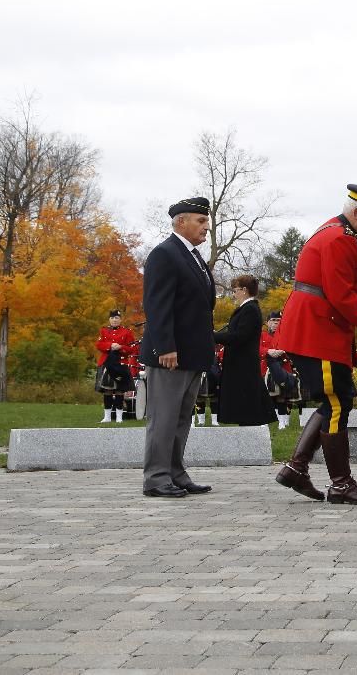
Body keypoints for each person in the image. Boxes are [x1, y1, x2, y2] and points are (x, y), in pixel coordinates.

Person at [273, 184, 357, 504]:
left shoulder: (332, 231)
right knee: (338, 402)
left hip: (312, 331)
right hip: (318, 333)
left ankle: (296, 468)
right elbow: (340, 295)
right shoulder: (341, 238)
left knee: (333, 401)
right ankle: (341, 484)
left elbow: (345, 289)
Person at [139, 197, 216, 498]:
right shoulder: (165, 254)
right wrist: (165, 346)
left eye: (207, 221)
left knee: (182, 418)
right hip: (170, 355)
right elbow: (156, 305)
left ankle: (175, 473)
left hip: (192, 354)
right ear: (181, 222)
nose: (206, 227)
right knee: (164, 418)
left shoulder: (192, 256)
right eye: (201, 221)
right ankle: (156, 478)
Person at [212, 275, 276, 427]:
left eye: (235, 290)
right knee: (243, 402)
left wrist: (213, 336)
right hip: (240, 363)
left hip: (244, 363)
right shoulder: (246, 309)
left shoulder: (250, 309)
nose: (234, 294)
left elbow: (240, 336)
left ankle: (250, 429)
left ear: (244, 290)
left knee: (247, 402)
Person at [95, 309, 136, 423]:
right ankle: (107, 417)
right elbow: (98, 344)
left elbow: (132, 348)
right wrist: (110, 345)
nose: (114, 320)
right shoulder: (104, 330)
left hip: (120, 364)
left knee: (120, 390)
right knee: (107, 390)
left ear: (120, 320)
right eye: (112, 318)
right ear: (109, 319)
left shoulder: (127, 332)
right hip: (107, 363)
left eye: (117, 318)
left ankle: (119, 417)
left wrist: (121, 347)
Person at [260, 311, 299, 429]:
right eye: (273, 320)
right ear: (267, 323)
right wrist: (267, 351)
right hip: (265, 368)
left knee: (282, 395)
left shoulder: (287, 335)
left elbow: (294, 350)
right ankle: (265, 420)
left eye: (278, 321)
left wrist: (282, 352)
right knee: (265, 396)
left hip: (283, 368)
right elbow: (256, 348)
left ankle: (282, 422)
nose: (276, 323)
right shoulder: (262, 335)